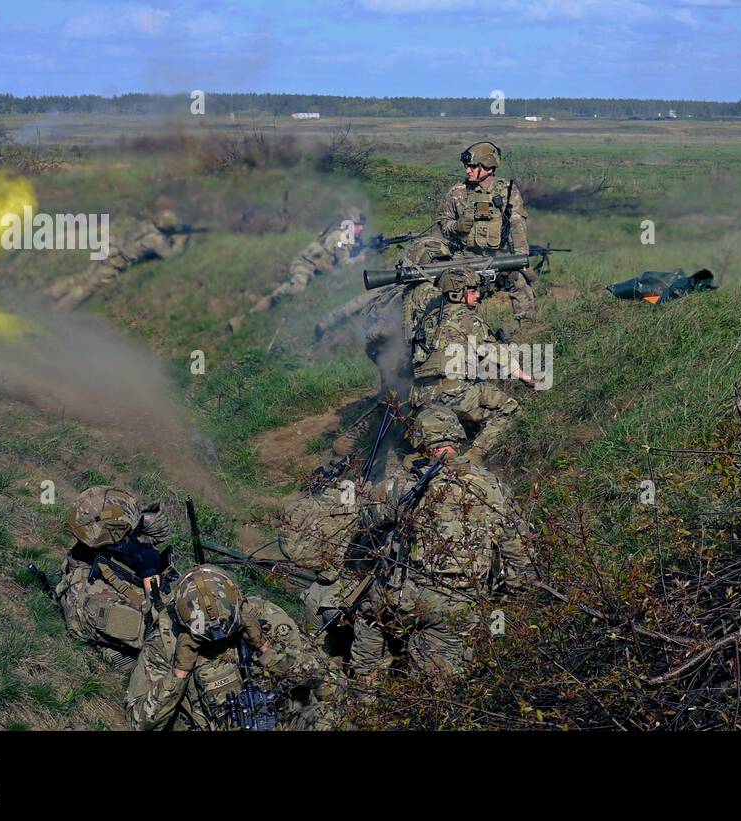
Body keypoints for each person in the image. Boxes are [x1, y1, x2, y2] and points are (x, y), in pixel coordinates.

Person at [323, 420, 532, 683]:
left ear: (423, 446)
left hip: (401, 595)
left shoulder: (405, 485)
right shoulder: (494, 487)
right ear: (458, 443)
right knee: (440, 678)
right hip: (456, 601)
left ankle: (367, 689)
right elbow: (520, 553)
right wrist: (511, 603)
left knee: (369, 622)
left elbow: (366, 520)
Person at [126, 565, 342, 730]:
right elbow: (139, 721)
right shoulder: (166, 642)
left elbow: (325, 679)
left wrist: (266, 649)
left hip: (286, 720)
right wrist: (179, 673)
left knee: (329, 717)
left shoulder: (265, 616)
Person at [409, 266, 534, 459]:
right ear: (457, 293)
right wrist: (524, 376)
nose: (478, 296)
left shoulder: (428, 320)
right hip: (456, 394)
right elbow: (494, 352)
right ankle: (475, 454)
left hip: (423, 399)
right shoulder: (467, 318)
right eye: (473, 291)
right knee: (510, 407)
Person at [52, 486, 176, 671]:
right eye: (126, 534)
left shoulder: (91, 552)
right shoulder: (97, 601)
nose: (130, 538)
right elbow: (160, 639)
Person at [436, 141, 535, 323]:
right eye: (467, 167)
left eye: (473, 167)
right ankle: (462, 332)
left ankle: (527, 332)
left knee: (520, 284)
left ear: (488, 167)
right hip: (465, 257)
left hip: (499, 255)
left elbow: (517, 226)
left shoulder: (508, 191)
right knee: (455, 292)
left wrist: (520, 260)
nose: (468, 171)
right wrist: (456, 226)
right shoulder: (457, 193)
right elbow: (443, 223)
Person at [45, 210, 192, 311]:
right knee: (87, 288)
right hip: (116, 262)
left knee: (81, 277)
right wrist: (180, 239)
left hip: (108, 250)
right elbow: (170, 255)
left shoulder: (145, 225)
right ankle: (59, 311)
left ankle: (51, 293)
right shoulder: (156, 240)